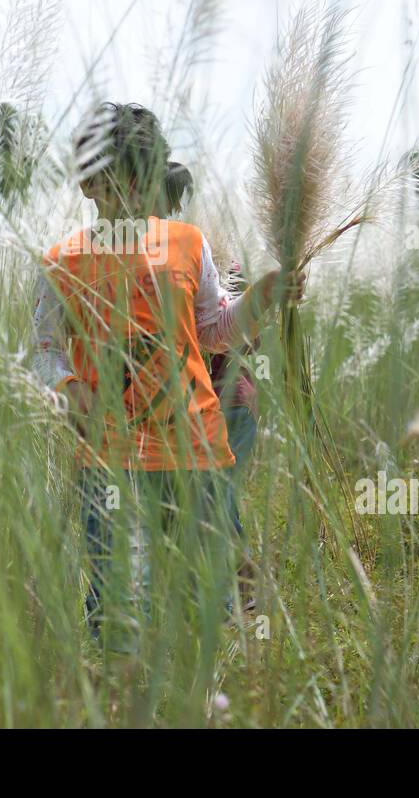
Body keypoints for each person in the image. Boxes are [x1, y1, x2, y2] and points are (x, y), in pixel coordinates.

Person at [30, 102, 300, 654]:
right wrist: (68, 389)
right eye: (112, 176)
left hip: (198, 451)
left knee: (209, 602)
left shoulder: (188, 243)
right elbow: (44, 351)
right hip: (109, 459)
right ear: (87, 182)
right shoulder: (62, 262)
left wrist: (263, 296)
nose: (127, 190)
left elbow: (215, 330)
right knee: (115, 609)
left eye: (139, 175)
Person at [159, 162, 260, 611]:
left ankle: (234, 593)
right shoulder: (159, 264)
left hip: (230, 405)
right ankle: (220, 592)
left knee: (212, 496)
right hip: (189, 410)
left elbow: (243, 337)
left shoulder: (211, 261)